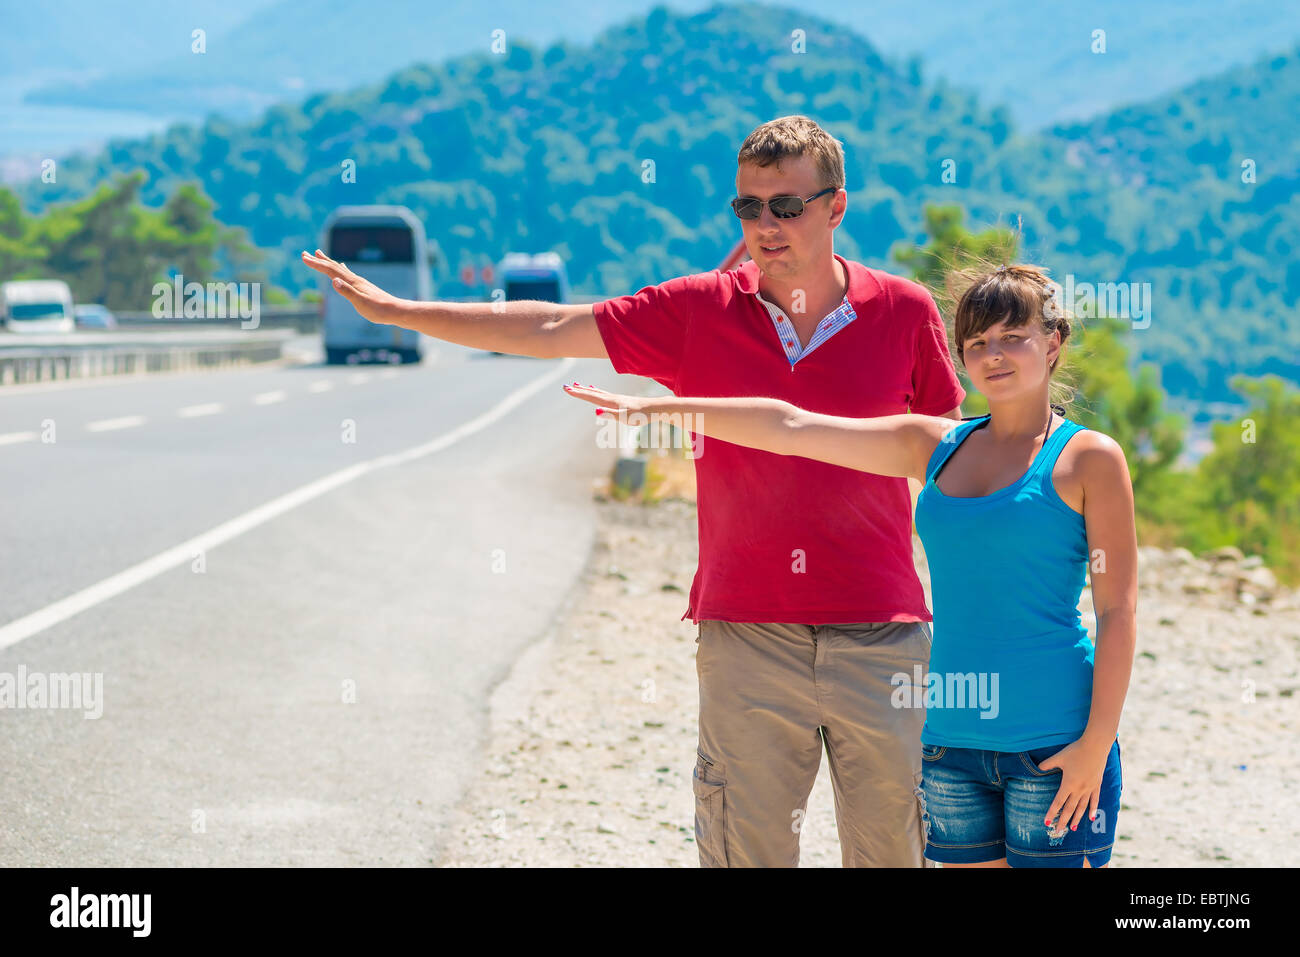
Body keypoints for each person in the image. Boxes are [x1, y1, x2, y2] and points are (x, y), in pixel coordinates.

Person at [303, 115, 966, 867]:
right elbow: (553, 323)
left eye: (787, 206)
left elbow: (946, 465)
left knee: (893, 856)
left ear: (836, 207)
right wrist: (399, 312)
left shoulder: (904, 312)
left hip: (883, 631)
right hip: (746, 633)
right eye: (749, 207)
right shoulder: (697, 311)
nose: (766, 225)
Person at [562, 262, 1137, 868]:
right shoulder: (934, 446)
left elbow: (1117, 611)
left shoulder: (1089, 459)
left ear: (1053, 343)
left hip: (1055, 742)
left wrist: (1096, 743)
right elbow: (789, 425)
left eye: (1012, 337)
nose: (994, 355)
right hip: (948, 745)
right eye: (976, 343)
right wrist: (655, 411)